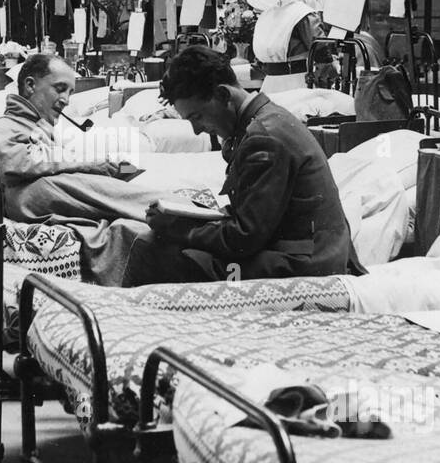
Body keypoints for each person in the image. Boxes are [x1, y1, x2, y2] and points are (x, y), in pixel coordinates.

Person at [123, 46, 361, 286]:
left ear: (224, 95)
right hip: (302, 251)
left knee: (154, 251)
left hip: (303, 264)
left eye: (197, 117)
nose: (196, 130)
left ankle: (128, 318)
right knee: (160, 244)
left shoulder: (264, 138)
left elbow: (243, 238)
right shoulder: (264, 122)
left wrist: (180, 230)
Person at [0, 53, 155, 284]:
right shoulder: (4, 125)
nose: (67, 99)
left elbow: (45, 159)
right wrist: (90, 165)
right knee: (114, 194)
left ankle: (168, 213)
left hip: (37, 195)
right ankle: (177, 212)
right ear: (30, 85)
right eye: (60, 88)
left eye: (70, 92)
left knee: (118, 204)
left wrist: (97, 168)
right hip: (29, 196)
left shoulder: (34, 125)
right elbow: (12, 163)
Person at [247, 0, 325, 93]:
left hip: (296, 85)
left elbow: (322, 56)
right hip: (270, 85)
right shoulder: (266, 15)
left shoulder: (303, 14)